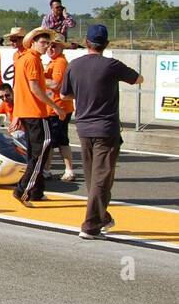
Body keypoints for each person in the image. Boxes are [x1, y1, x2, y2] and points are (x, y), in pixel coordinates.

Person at [61, 24, 143, 239]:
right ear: (106, 44)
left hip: (83, 127)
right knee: (102, 177)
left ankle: (102, 216)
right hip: (106, 128)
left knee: (92, 177)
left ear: (86, 42)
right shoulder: (111, 65)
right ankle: (90, 225)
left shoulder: (74, 65)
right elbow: (138, 79)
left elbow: (65, 95)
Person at [11, 28, 66, 207]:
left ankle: (36, 190)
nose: (46, 46)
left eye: (47, 43)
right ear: (33, 42)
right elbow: (35, 88)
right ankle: (23, 190)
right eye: (42, 42)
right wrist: (56, 107)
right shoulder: (32, 59)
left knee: (38, 152)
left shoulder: (22, 59)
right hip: (35, 113)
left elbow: (20, 88)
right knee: (40, 153)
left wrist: (17, 113)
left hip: (27, 112)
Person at [44, 34, 75, 182]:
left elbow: (56, 84)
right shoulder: (53, 61)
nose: (50, 48)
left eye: (54, 45)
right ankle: (55, 169)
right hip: (56, 107)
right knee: (59, 140)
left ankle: (51, 170)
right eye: (49, 45)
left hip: (58, 107)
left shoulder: (60, 62)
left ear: (61, 47)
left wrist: (38, 79)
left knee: (53, 140)